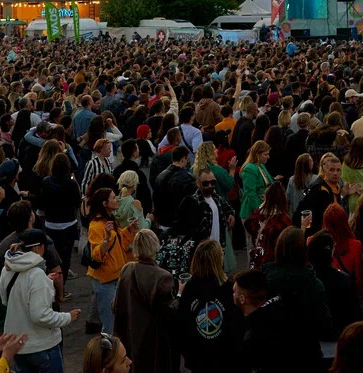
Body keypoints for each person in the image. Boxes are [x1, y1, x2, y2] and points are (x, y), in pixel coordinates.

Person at [0, 229, 80, 373]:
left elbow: (7, 300)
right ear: (38, 247)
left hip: (17, 345)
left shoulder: (7, 269)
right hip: (42, 346)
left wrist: (45, 282)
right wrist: (68, 317)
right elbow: (41, 316)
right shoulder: (37, 275)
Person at [113, 229, 178, 373]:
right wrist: (179, 296)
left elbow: (115, 306)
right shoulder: (162, 277)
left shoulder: (126, 270)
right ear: (155, 245)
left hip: (129, 342)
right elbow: (168, 314)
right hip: (152, 344)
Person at [175, 240, 238, 373]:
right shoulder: (228, 289)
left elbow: (182, 325)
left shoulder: (190, 288)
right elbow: (235, 325)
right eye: (221, 254)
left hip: (197, 359)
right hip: (223, 358)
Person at [86, 188, 140, 335]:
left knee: (120, 321)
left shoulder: (110, 220)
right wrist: (107, 237)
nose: (117, 200)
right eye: (113, 198)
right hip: (105, 281)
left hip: (117, 277)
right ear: (105, 203)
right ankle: (109, 355)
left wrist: (129, 229)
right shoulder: (96, 226)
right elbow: (96, 255)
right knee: (110, 325)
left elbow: (119, 242)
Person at [308, 231, 361, 335]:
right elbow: (354, 314)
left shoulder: (305, 279)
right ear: (331, 251)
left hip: (312, 336)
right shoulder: (343, 279)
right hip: (338, 334)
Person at [296, 153, 345, 234]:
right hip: (319, 235)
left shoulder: (336, 187)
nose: (335, 173)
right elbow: (307, 213)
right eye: (332, 170)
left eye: (338, 170)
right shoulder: (318, 189)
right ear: (325, 170)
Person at [238, 141, 274, 230]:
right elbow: (250, 193)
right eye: (265, 154)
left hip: (264, 208)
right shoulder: (249, 169)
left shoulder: (261, 165)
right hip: (252, 213)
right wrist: (259, 212)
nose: (268, 157)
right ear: (258, 154)